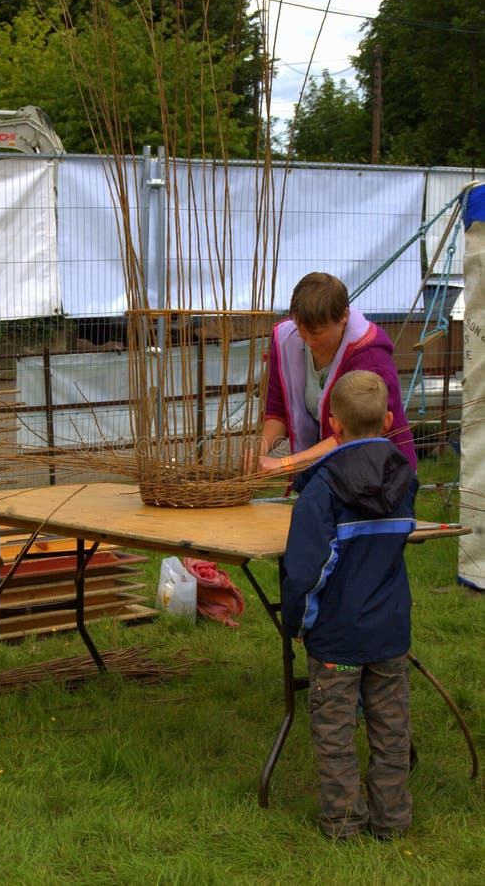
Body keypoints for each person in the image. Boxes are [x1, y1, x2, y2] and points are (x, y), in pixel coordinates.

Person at [281, 370, 419, 840]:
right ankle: (392, 821)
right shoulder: (405, 481)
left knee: (335, 733)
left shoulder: (321, 491)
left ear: (334, 425)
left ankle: (343, 824)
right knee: (392, 730)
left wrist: (299, 624)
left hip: (337, 640)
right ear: (387, 420)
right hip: (390, 635)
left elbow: (306, 572)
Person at [249, 272, 416, 475]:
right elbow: (277, 411)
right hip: (330, 472)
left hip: (381, 472)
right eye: (302, 329)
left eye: (317, 332)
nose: (308, 340)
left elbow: (354, 432)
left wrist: (285, 464)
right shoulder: (286, 342)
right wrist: (258, 454)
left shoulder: (370, 356)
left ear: (344, 316)